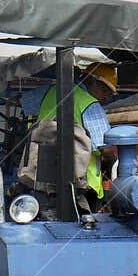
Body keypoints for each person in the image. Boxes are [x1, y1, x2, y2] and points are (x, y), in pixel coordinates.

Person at [36, 65, 116, 205]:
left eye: (109, 95)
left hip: (43, 178)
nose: (105, 97)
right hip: (82, 185)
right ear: (90, 80)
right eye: (104, 91)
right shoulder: (89, 104)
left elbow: (23, 103)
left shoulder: (52, 92)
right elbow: (105, 148)